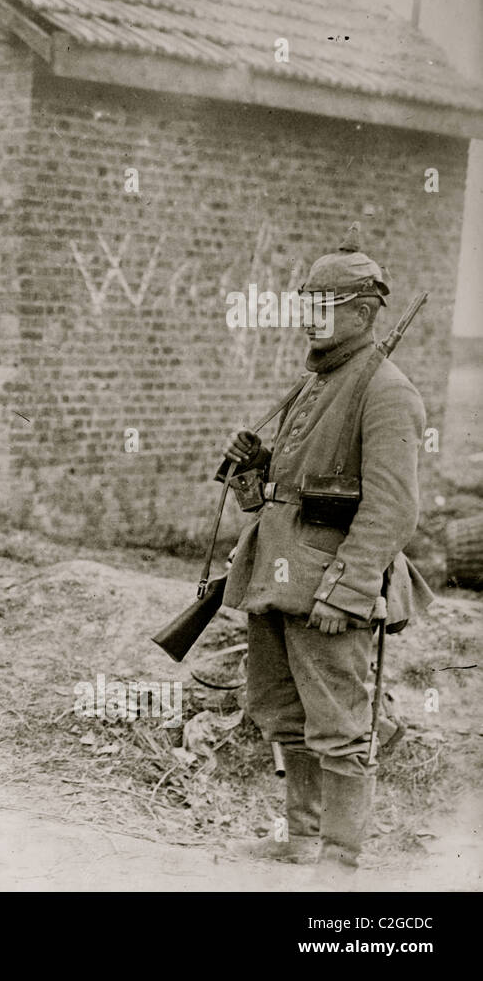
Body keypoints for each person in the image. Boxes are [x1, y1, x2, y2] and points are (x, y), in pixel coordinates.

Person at [221, 224, 433, 885]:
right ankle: (302, 840)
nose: (308, 322)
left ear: (363, 315)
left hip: (326, 591)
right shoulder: (313, 386)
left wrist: (346, 590)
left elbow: (393, 507)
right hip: (276, 580)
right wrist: (251, 473)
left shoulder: (387, 391)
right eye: (304, 307)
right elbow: (275, 501)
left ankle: (342, 859)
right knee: (285, 714)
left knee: (340, 725)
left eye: (324, 309)